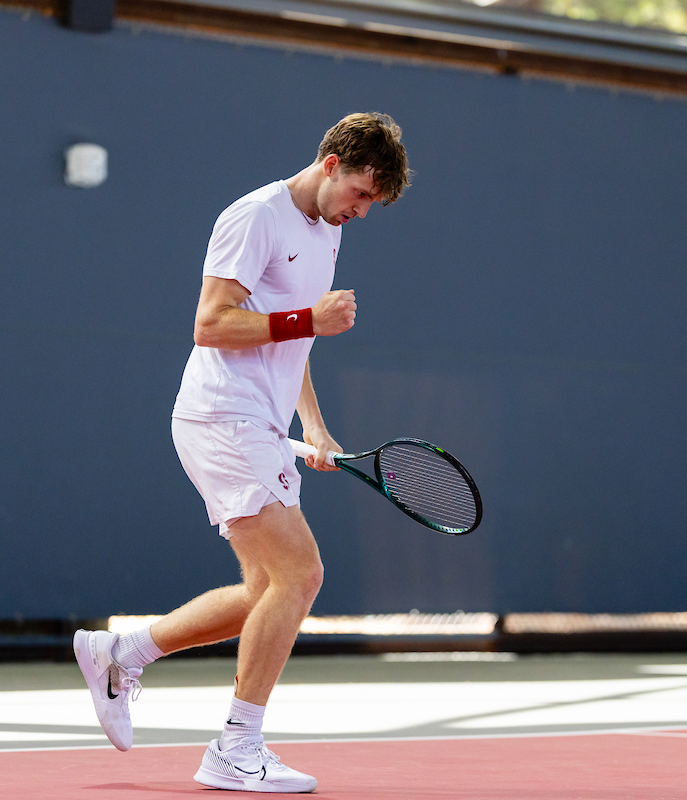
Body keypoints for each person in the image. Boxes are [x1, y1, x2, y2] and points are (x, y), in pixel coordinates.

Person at [73, 112, 411, 793]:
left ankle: (120, 653)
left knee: (266, 589)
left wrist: (313, 425)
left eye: (373, 203)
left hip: (258, 421)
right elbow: (211, 324)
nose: (363, 212)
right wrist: (307, 319)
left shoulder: (327, 233)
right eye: (362, 193)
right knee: (302, 576)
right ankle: (236, 746)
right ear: (331, 162)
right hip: (221, 415)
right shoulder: (255, 216)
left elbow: (294, 344)